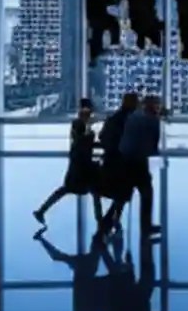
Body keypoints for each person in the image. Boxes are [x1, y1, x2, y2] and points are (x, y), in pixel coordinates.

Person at [34, 98, 103, 226]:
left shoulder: (79, 124)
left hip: (79, 162)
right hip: (83, 164)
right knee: (94, 191)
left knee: (68, 189)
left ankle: (42, 210)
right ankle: (100, 220)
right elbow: (84, 141)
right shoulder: (81, 124)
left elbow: (82, 142)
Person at [114, 94, 163, 238]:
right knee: (147, 194)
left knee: (123, 193)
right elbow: (152, 146)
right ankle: (146, 226)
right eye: (157, 105)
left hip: (126, 159)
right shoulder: (152, 120)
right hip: (139, 162)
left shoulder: (133, 117)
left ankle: (113, 219)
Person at [95, 93, 139, 235]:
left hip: (110, 159)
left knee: (116, 192)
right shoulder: (132, 120)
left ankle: (108, 220)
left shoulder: (113, 118)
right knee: (123, 193)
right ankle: (112, 219)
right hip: (124, 162)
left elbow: (102, 137)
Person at [85, 0, 120, 66]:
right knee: (99, 35)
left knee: (102, 32)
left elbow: (110, 0)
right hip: (95, 18)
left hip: (98, 18)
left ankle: (98, 55)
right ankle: (96, 56)